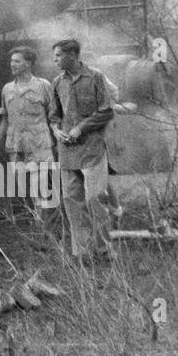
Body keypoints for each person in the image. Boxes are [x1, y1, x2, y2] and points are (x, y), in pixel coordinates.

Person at [50, 38, 116, 262]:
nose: (55, 59)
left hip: (92, 150)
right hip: (67, 152)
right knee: (72, 202)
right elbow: (54, 115)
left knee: (96, 200)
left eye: (58, 55)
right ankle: (82, 253)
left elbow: (107, 111)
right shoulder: (57, 82)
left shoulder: (95, 77)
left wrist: (81, 128)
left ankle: (104, 251)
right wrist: (56, 130)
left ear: (72, 55)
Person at [0, 46, 58, 228]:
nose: (12, 64)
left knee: (41, 186)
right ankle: (34, 222)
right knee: (25, 185)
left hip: (39, 142)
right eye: (12, 61)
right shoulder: (7, 89)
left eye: (17, 61)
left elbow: (54, 115)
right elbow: (5, 118)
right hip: (16, 143)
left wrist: (58, 138)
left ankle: (42, 229)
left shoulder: (43, 86)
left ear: (28, 64)